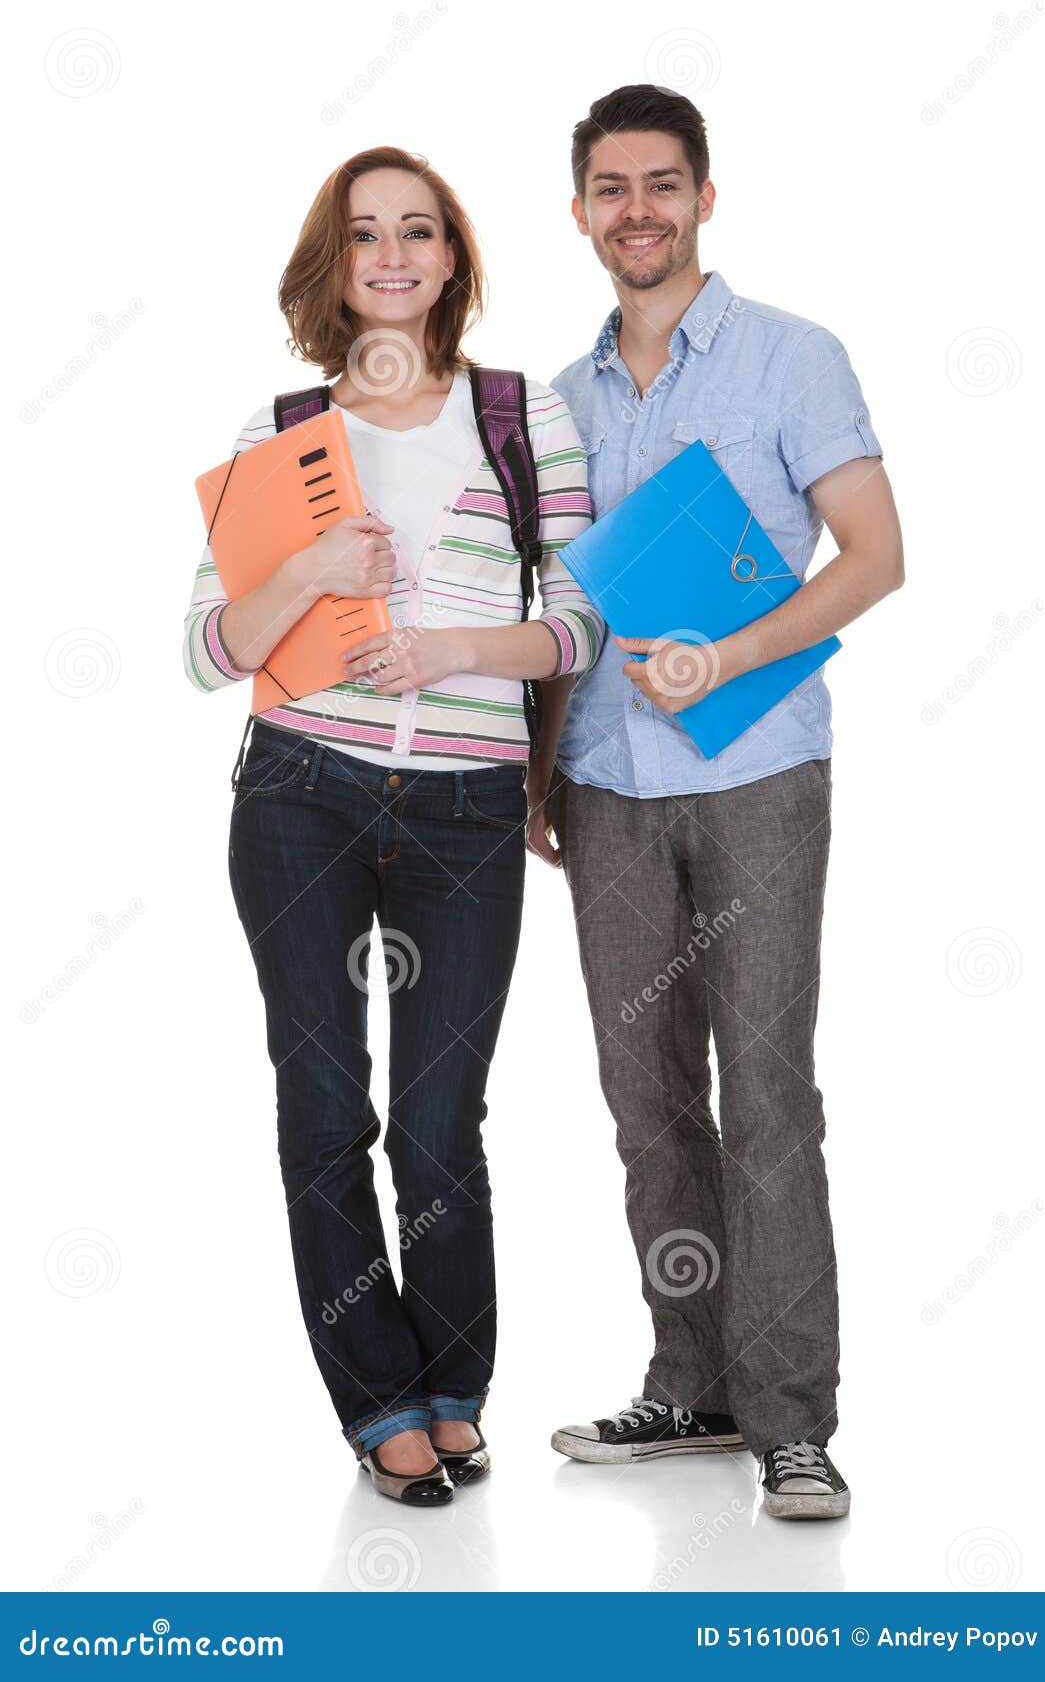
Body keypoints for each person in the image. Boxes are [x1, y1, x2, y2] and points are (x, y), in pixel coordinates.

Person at [184, 146, 603, 1507]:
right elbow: (208, 647)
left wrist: (452, 646)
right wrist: (306, 564)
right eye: (366, 234)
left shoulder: (518, 413)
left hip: (472, 809)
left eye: (418, 230)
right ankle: (379, 1397)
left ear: (450, 257)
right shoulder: (283, 427)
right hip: (300, 796)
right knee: (324, 1106)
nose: (393, 254)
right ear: (335, 261)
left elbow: (586, 623)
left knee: (436, 1121)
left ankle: (454, 1381)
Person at [531, 86, 904, 1519]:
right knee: (644, 1102)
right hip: (607, 788)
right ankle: (692, 1379)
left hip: (757, 777)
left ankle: (792, 1415)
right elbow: (560, 606)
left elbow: (873, 554)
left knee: (768, 1098)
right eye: (613, 188)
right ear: (580, 213)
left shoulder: (793, 358)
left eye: (663, 184)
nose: (640, 209)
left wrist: (731, 652)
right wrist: (538, 762)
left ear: (703, 196)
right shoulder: (557, 405)